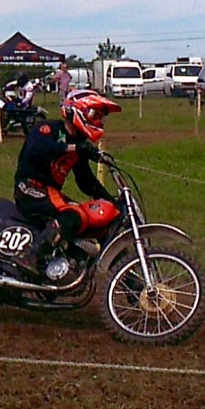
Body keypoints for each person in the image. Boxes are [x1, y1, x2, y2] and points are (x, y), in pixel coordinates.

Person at [11, 89, 121, 276]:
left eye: (101, 117)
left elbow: (85, 180)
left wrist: (110, 200)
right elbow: (37, 148)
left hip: (49, 192)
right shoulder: (48, 129)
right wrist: (74, 148)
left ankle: (128, 284)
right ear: (76, 111)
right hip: (30, 187)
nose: (99, 121)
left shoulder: (78, 142)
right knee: (74, 214)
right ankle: (30, 256)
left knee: (96, 221)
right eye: (95, 115)